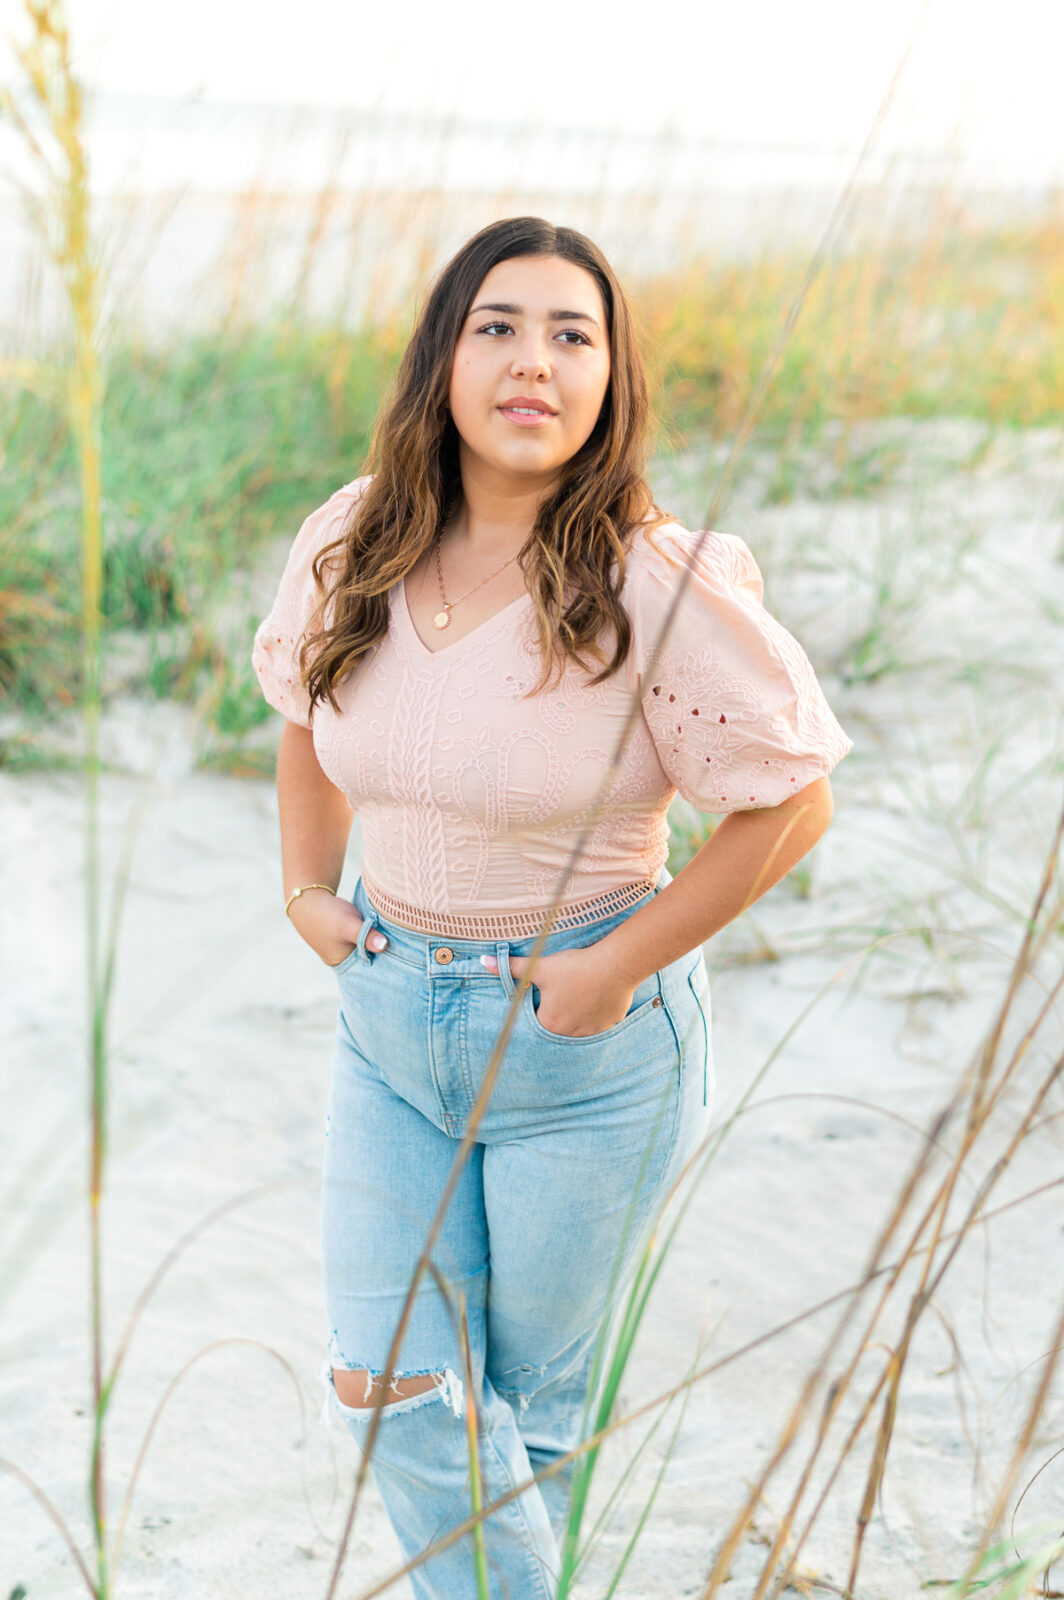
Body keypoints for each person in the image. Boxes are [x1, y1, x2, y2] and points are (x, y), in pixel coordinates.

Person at [251, 215, 852, 1599]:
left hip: (591, 1049)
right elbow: (300, 707)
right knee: (390, 1384)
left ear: (610, 380)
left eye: (572, 335)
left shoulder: (654, 584)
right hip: (389, 1022)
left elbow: (792, 797)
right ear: (443, 363)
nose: (535, 360)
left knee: (525, 1410)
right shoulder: (356, 538)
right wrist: (303, 887)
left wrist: (614, 967)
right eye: (499, 327)